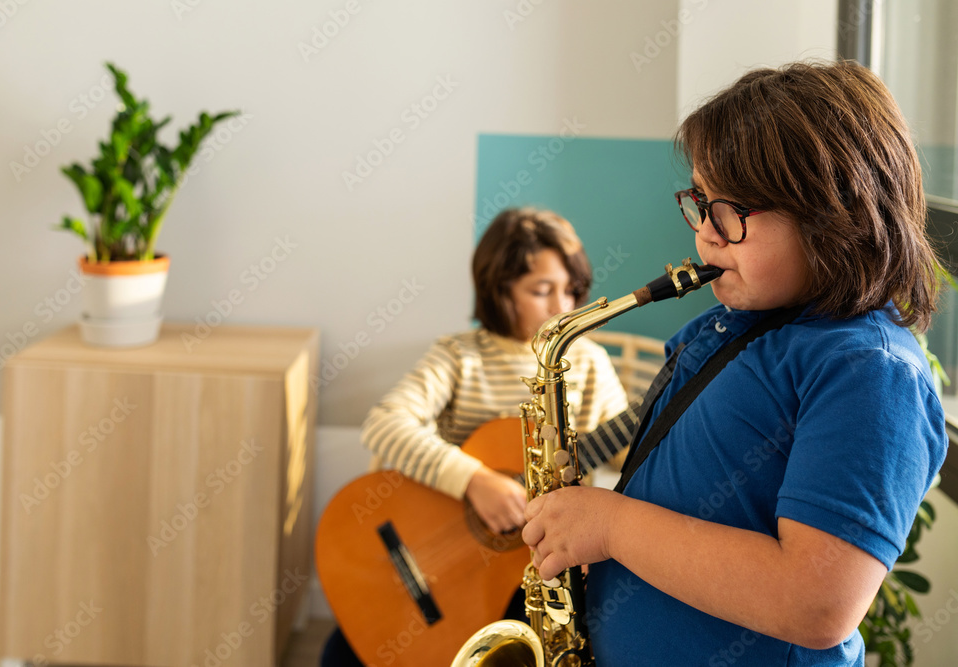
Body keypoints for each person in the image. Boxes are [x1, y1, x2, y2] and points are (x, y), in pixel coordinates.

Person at [522, 60, 948, 665]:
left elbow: (817, 603)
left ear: (836, 215)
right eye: (701, 201)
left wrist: (613, 528)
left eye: (733, 210)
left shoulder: (869, 371)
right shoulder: (728, 325)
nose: (706, 235)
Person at [320, 207, 628, 666]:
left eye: (571, 290)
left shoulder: (590, 363)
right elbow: (385, 423)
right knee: (341, 656)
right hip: (443, 565)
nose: (563, 306)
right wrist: (473, 480)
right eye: (541, 291)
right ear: (499, 291)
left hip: (533, 576)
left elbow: (631, 458)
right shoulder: (459, 356)